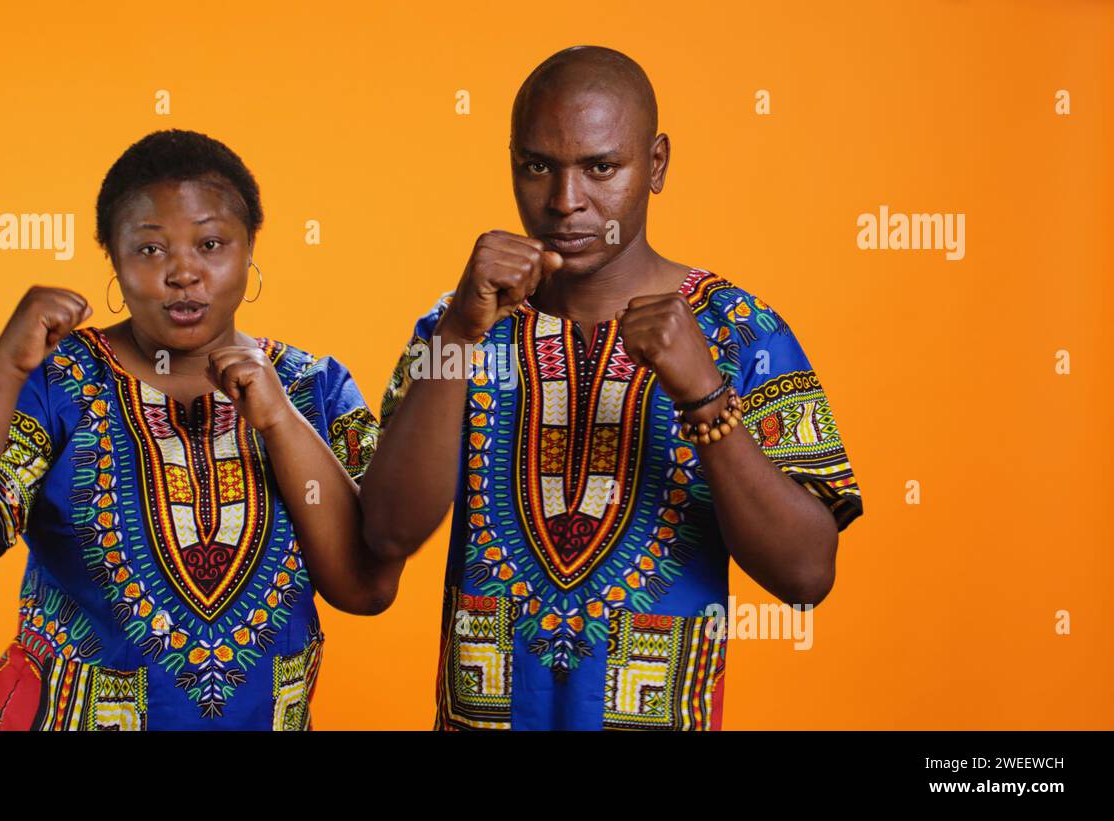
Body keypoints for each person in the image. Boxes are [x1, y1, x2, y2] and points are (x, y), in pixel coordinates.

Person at [360, 47, 864, 730]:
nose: (565, 202)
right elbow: (385, 532)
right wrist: (459, 333)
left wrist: (704, 395)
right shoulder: (457, 328)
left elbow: (806, 576)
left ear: (655, 164)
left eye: (600, 167)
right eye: (538, 166)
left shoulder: (739, 330)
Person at [0, 129, 401, 730]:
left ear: (249, 249)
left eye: (211, 243)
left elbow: (367, 589)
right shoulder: (55, 383)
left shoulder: (314, 388)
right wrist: (3, 365)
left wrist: (279, 420)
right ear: (113, 256)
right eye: (150, 249)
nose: (183, 272)